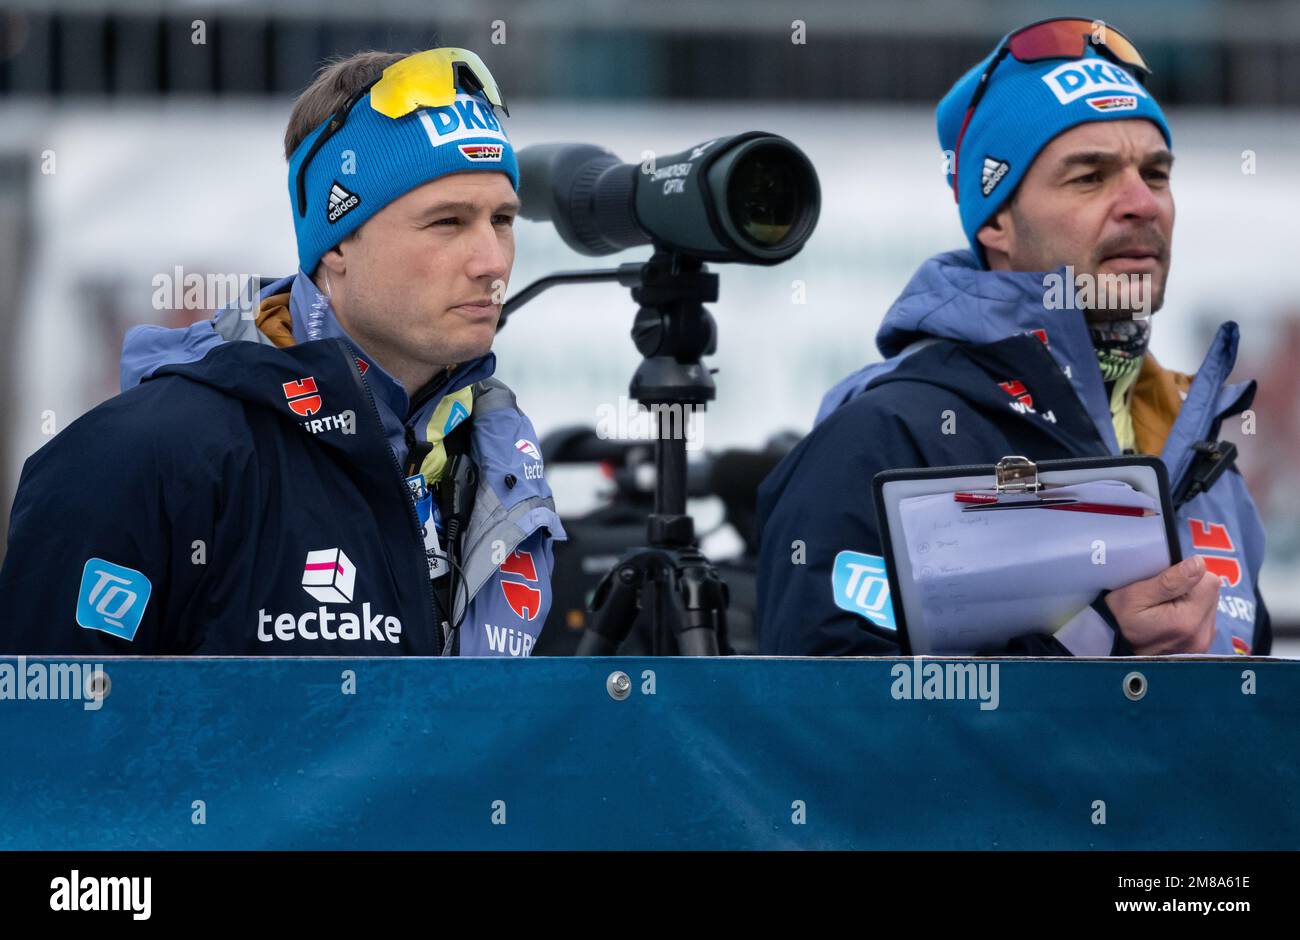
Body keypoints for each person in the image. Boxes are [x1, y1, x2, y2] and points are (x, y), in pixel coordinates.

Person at [0, 48, 564, 656]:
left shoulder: (503, 452)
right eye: (447, 222)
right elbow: (50, 712)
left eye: (502, 220)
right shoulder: (141, 458)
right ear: (337, 242)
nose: (491, 262)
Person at [757, 18, 1269, 657]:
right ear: (996, 220)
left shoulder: (1206, 458)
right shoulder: (887, 438)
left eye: (1157, 174)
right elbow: (822, 710)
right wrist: (1096, 644)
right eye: (1090, 176)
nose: (1143, 203)